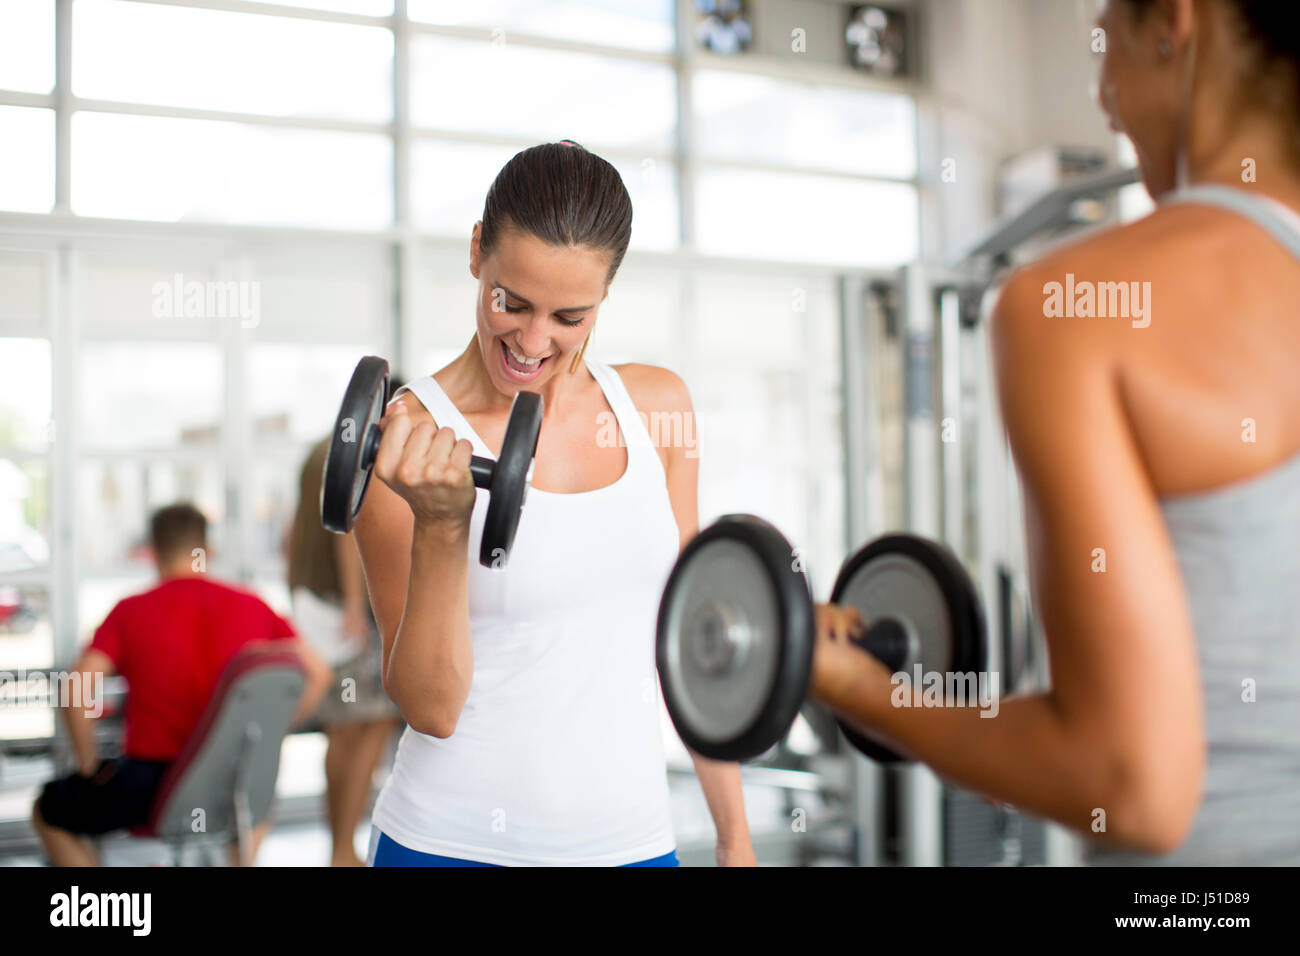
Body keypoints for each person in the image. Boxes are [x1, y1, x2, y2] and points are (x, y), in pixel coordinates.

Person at [812, 0, 1300, 864]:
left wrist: (851, 682)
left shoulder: (1075, 308)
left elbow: (1128, 787)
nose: (1104, 95)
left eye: (1101, 38)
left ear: (1174, 26)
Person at [354, 141, 756, 866]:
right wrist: (444, 525)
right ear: (478, 252)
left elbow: (686, 642)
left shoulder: (656, 409)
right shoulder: (407, 443)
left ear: (606, 295)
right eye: (511, 302)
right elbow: (430, 707)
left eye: (569, 316)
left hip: (633, 845)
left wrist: (734, 837)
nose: (532, 343)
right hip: (450, 845)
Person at [32, 503, 330, 866]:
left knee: (49, 809)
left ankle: (104, 910)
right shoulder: (253, 605)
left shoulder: (130, 610)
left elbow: (76, 688)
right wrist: (276, 732)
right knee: (251, 805)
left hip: (155, 786)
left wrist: (89, 768)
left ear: (152, 552)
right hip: (235, 782)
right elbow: (319, 674)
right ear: (209, 550)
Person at [286, 386, 404, 868]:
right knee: (365, 725)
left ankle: (339, 845)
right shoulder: (361, 452)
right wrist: (358, 606)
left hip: (317, 602)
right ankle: (342, 850)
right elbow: (348, 533)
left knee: (344, 729)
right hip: (344, 611)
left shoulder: (322, 448)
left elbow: (296, 531)